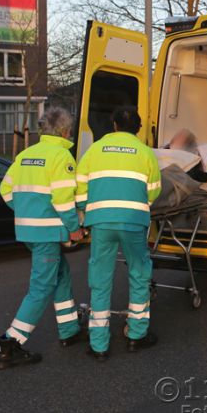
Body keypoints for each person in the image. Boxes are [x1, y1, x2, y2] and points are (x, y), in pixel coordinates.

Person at [0, 107, 85, 370]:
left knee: (60, 275)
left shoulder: (25, 155)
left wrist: (27, 213)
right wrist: (73, 227)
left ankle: (69, 329)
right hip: (47, 232)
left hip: (28, 230)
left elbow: (5, 190)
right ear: (65, 131)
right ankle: (10, 342)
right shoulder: (61, 156)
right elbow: (63, 200)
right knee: (41, 286)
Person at [77, 108, 161, 361]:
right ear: (137, 129)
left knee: (100, 279)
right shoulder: (145, 152)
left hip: (101, 221)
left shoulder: (94, 150)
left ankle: (98, 345)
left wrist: (84, 212)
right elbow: (154, 191)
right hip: (133, 222)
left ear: (114, 125)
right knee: (139, 274)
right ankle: (136, 335)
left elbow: (80, 188)